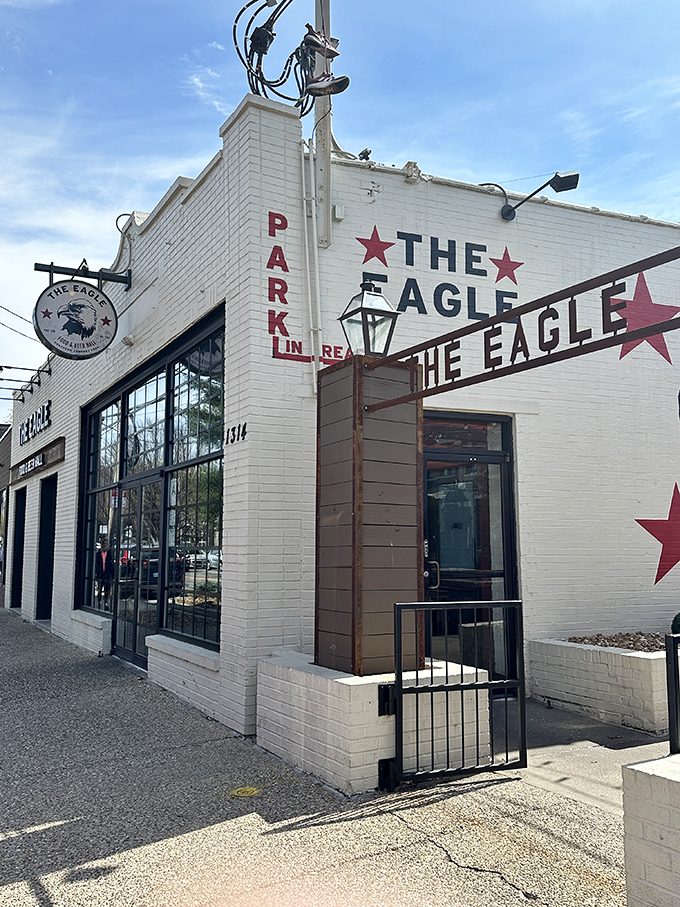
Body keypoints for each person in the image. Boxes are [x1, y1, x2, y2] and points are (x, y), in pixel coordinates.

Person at [95, 538, 114, 610]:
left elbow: (112, 565)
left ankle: (106, 602)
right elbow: (96, 564)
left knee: (107, 589)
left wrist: (112, 575)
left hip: (107, 574)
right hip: (100, 574)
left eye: (106, 544)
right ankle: (99, 601)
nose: (105, 546)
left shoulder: (109, 554)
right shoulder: (98, 554)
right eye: (104, 544)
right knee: (100, 588)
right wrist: (97, 572)